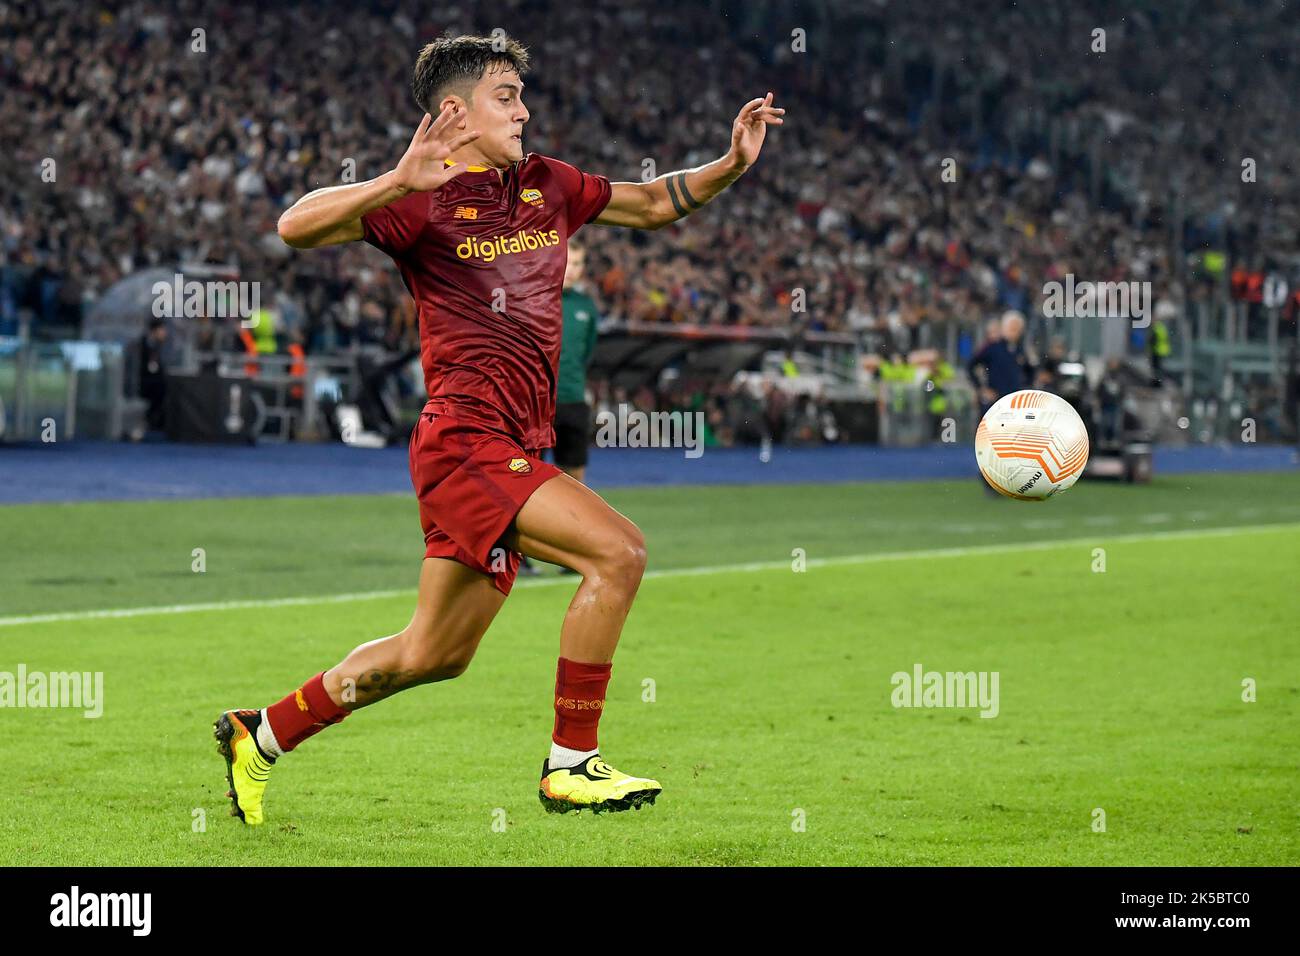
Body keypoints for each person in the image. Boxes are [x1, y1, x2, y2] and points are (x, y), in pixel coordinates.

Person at [213, 33, 784, 821]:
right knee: (619, 554)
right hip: (464, 441)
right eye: (507, 96)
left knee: (432, 654)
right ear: (456, 112)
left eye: (522, 94)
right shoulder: (418, 199)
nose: (525, 109)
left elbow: (651, 204)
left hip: (514, 446)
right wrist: (393, 180)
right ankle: (571, 763)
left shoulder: (548, 183)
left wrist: (730, 165)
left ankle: (263, 733)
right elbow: (293, 227)